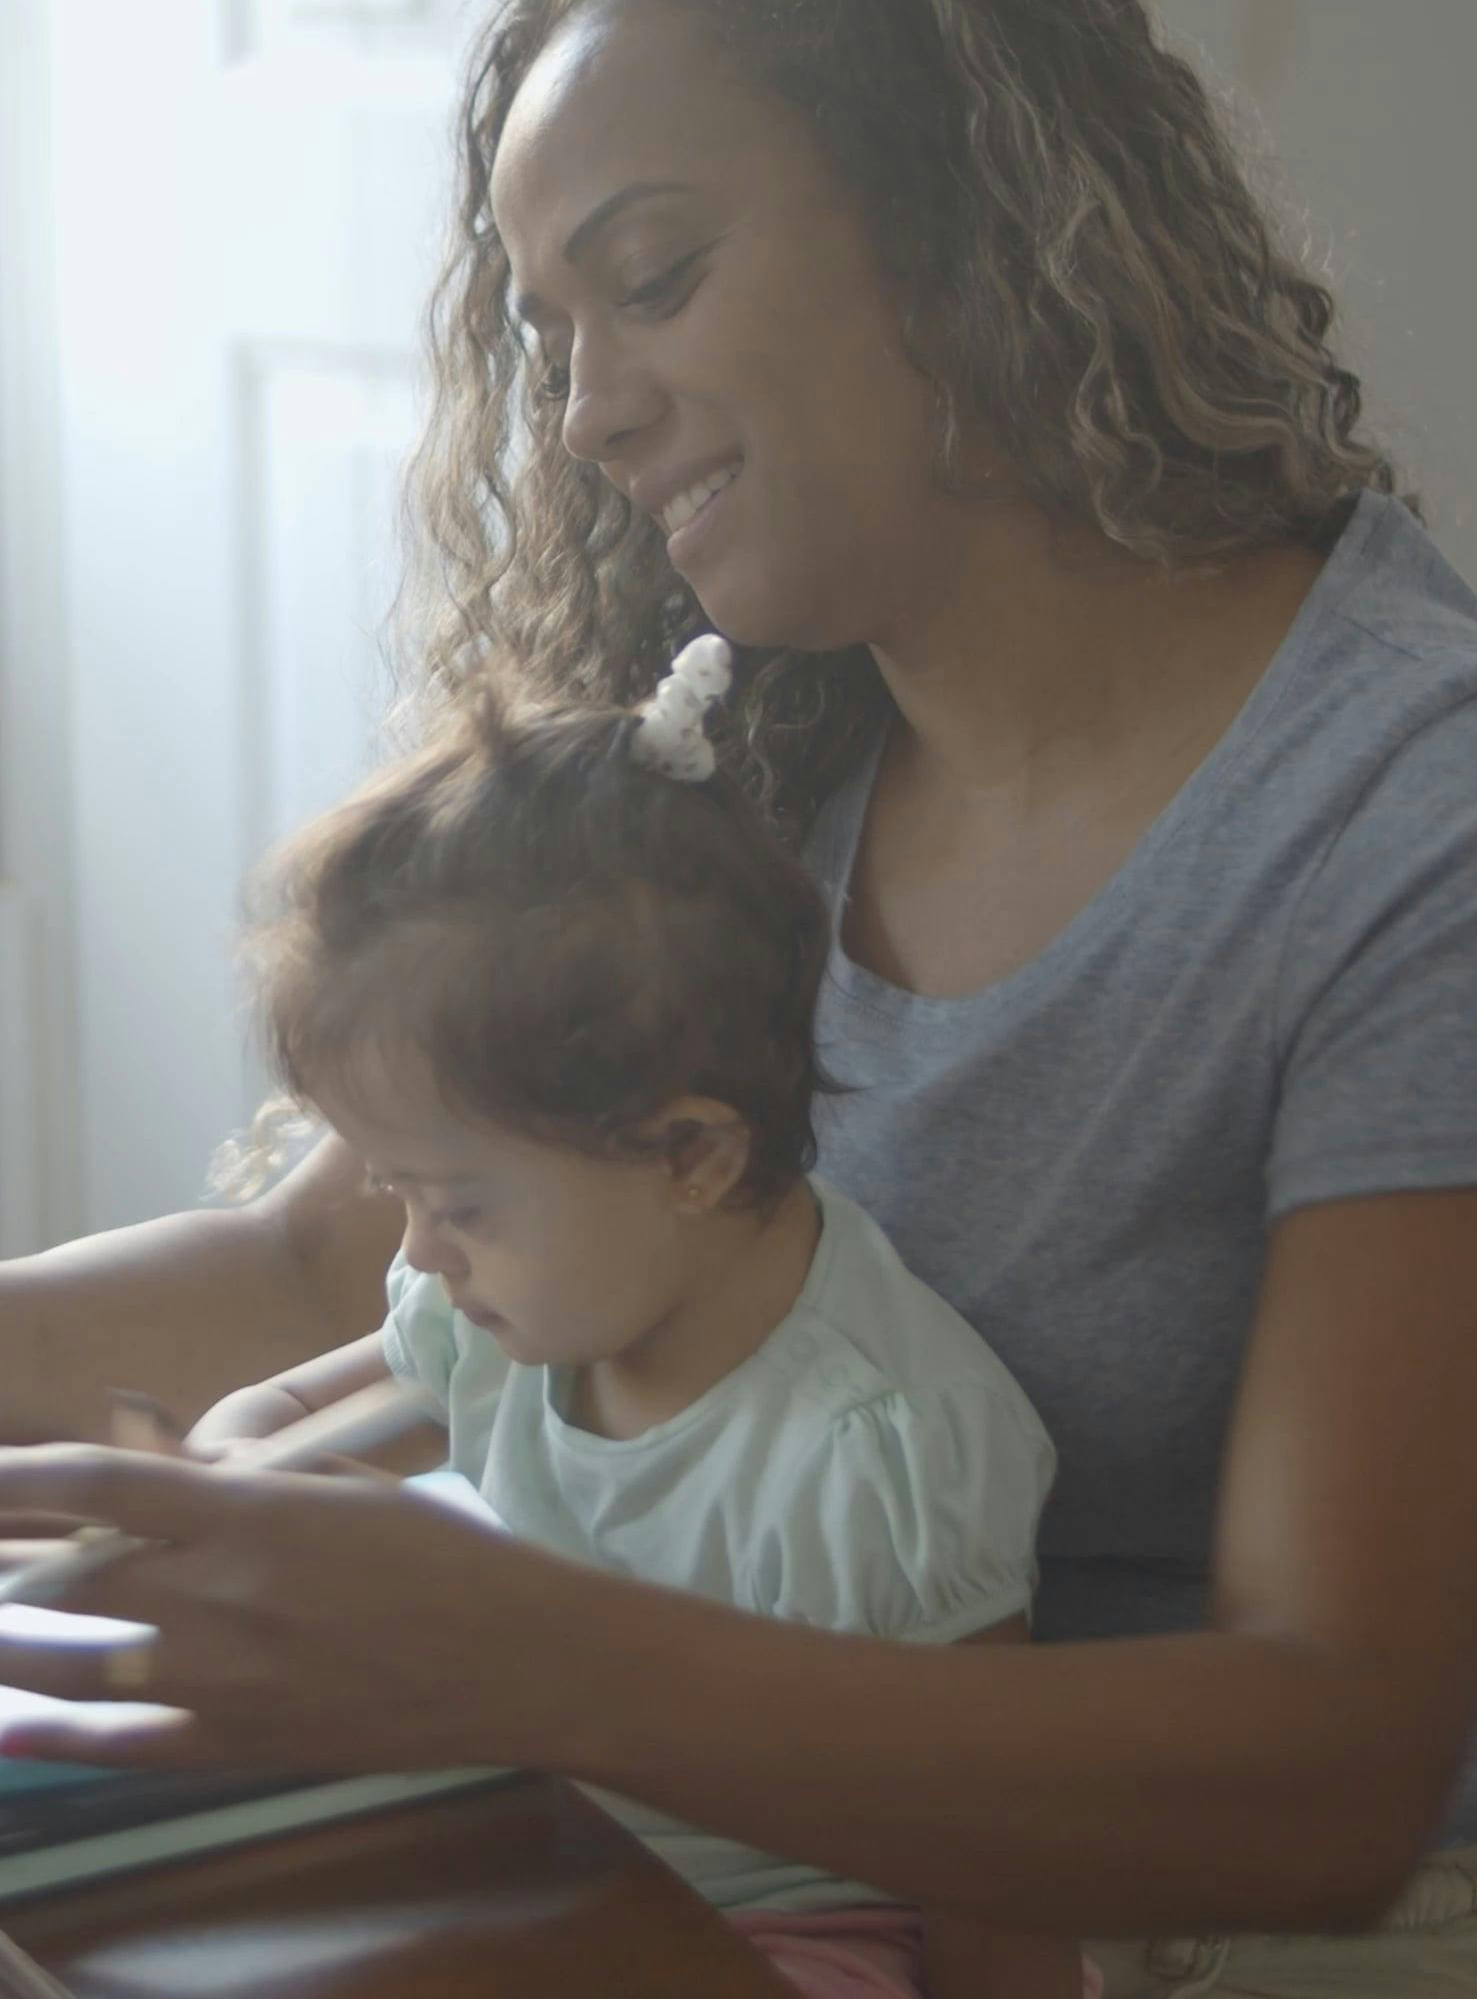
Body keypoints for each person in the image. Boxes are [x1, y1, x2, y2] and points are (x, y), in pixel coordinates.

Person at [0, 0, 1477, 1993]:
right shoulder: (756, 753)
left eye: (652, 282)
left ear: (970, 230)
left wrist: (501, 1652)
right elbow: (318, 1266)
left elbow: (1326, 1775)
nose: (592, 409)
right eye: (551, 329)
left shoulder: (1450, 827)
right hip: (717, 1863)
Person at [85, 641, 1080, 1998]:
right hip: (544, 1875)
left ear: (693, 1159)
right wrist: (214, 1472)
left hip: (787, 1939)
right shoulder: (490, 1312)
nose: (421, 1253)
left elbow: (1002, 1865)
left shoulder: (881, 1451)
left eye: (461, 1205)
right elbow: (299, 1419)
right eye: (397, 1194)